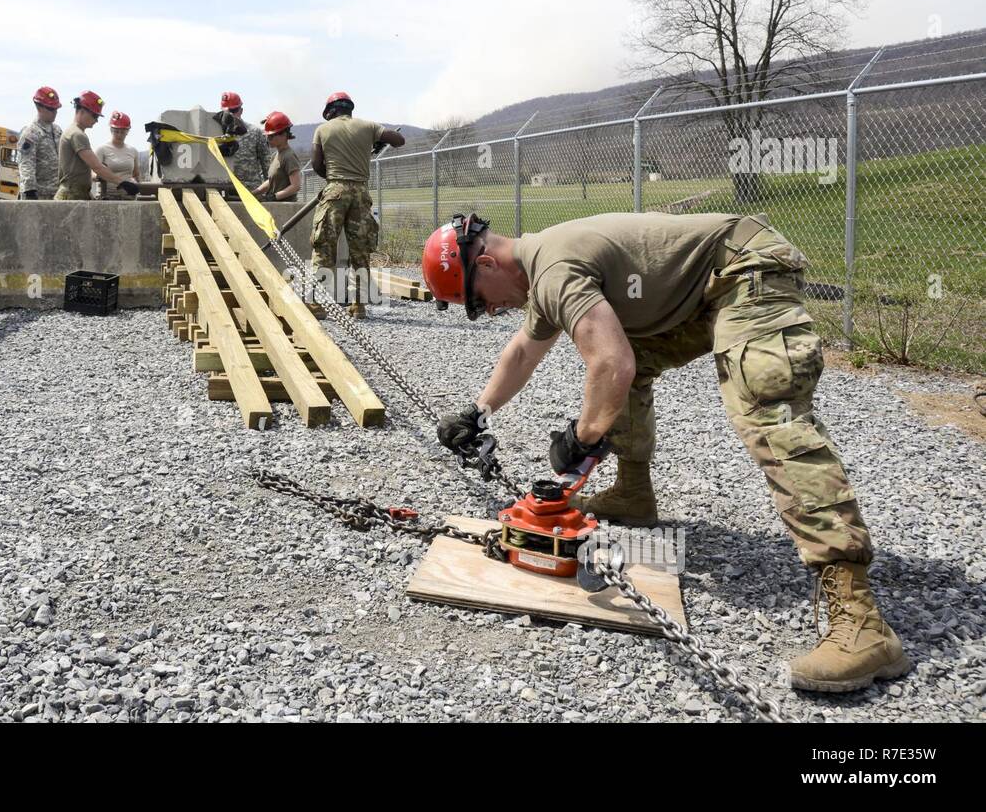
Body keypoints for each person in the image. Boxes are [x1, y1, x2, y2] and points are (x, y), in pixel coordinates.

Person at [425, 210, 909, 693]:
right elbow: (523, 352)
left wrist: (585, 438)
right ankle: (633, 494)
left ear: (485, 264)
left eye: (478, 301)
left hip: (745, 268)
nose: (489, 311)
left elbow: (608, 363)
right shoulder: (541, 270)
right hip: (705, 288)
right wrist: (477, 412)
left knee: (766, 407)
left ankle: (861, 618)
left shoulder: (552, 270)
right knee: (631, 362)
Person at [309, 91, 404, 318]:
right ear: (350, 108)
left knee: (324, 247)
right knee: (360, 252)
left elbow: (316, 164)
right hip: (361, 193)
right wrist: (379, 137)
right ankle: (358, 305)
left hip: (335, 191)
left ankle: (316, 304)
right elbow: (399, 141)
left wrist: (333, 177)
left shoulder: (322, 130)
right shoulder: (369, 126)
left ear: (330, 111)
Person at [55, 91, 118, 200]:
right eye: (94, 115)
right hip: (71, 196)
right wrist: (122, 182)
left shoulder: (74, 132)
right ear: (82, 111)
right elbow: (97, 166)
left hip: (76, 194)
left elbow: (80, 170)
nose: (96, 120)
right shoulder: (77, 134)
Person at [17, 86, 62, 200]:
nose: (55, 112)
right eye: (51, 109)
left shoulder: (57, 131)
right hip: (38, 195)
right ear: (39, 107)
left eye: (56, 109)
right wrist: (30, 191)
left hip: (57, 194)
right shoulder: (30, 133)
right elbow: (26, 163)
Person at [219, 91, 271, 191]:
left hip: (251, 191)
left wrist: (269, 192)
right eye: (227, 111)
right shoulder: (216, 133)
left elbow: (267, 166)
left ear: (241, 110)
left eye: (234, 110)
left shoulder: (255, 133)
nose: (230, 114)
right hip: (225, 190)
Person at [252, 111, 301, 202]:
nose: (268, 140)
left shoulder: (289, 156)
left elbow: (295, 186)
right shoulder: (275, 156)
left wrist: (274, 197)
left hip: (285, 209)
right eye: (267, 136)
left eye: (271, 136)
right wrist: (253, 193)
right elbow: (271, 181)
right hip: (275, 206)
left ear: (283, 135)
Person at [96, 111, 141, 200]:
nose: (119, 135)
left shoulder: (133, 151)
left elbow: (136, 175)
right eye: (116, 131)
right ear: (111, 130)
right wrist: (99, 175)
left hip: (128, 196)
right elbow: (94, 172)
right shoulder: (102, 149)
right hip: (107, 197)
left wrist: (140, 189)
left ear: (127, 131)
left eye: (123, 131)